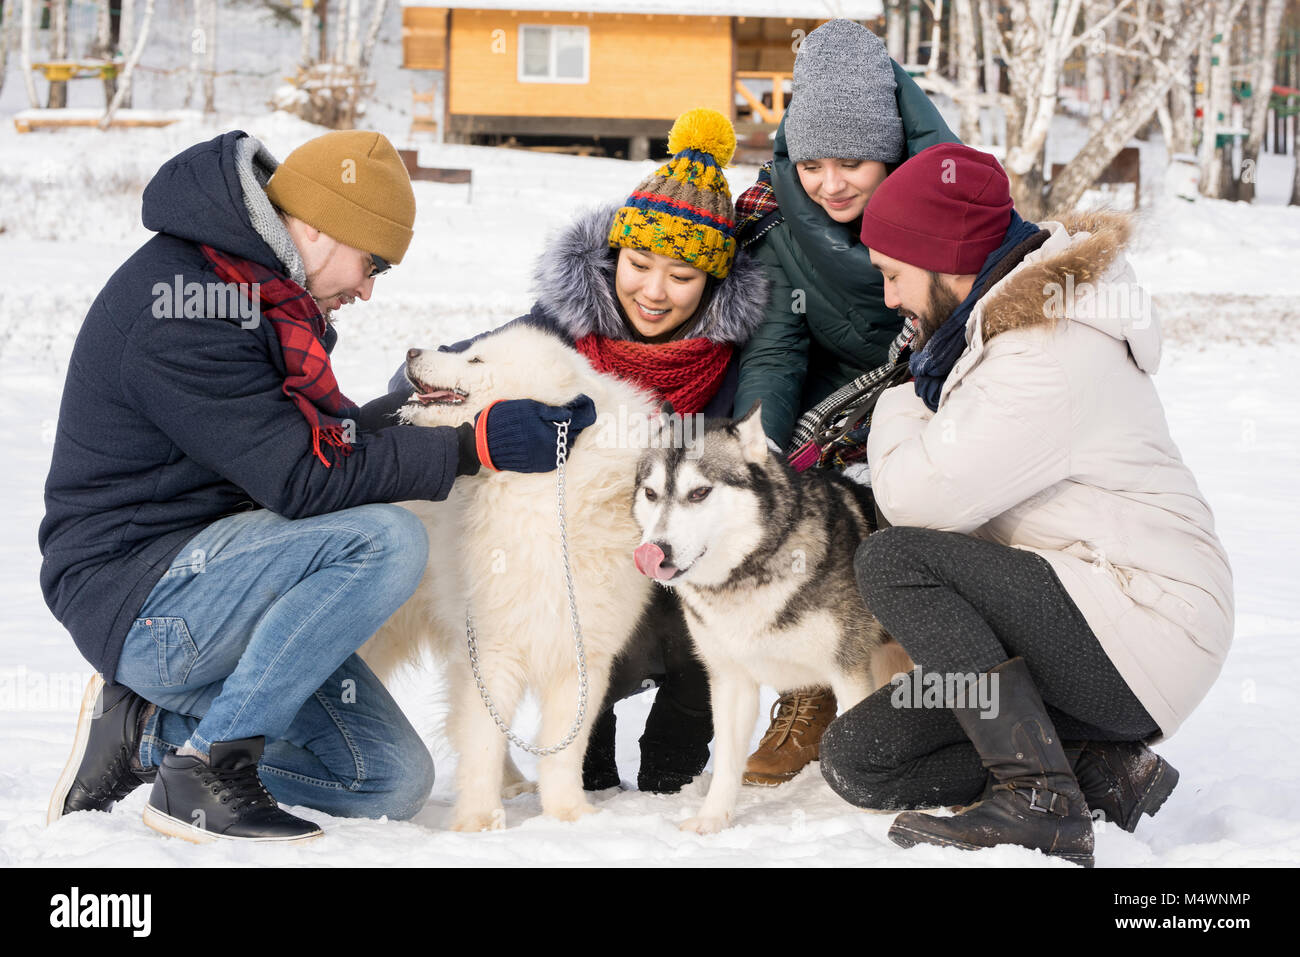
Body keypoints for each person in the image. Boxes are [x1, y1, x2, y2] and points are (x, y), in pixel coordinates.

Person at [41, 129, 595, 844]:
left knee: (389, 779)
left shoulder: (256, 294)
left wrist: (430, 412)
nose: (366, 288)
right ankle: (210, 766)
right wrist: (471, 447)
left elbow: (310, 448)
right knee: (386, 540)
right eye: (373, 263)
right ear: (322, 228)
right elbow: (300, 479)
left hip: (222, 578)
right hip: (143, 596)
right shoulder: (185, 307)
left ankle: (147, 732)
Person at [814, 143, 1233, 866]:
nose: (888, 299)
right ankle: (1096, 765)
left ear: (947, 261)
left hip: (1145, 617)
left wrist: (898, 402)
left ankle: (1038, 797)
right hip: (1084, 612)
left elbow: (919, 502)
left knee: (895, 558)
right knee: (861, 757)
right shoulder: (984, 332)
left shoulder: (1045, 347)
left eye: (893, 275)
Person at [372, 109, 769, 794]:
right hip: (565, 550)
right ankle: (578, 755)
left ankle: (676, 753)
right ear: (616, 257)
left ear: (711, 282)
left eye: (681, 275)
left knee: (696, 605)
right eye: (639, 264)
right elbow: (452, 376)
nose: (651, 290)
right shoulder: (559, 326)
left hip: (674, 548)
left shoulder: (733, 366)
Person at [729, 17, 958, 787]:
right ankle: (806, 692)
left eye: (853, 162)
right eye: (815, 162)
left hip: (932, 388)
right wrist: (764, 449)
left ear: (891, 149)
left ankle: (939, 694)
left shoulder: (951, 200)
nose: (831, 184)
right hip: (836, 397)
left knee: (924, 513)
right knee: (796, 513)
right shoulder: (780, 218)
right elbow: (776, 346)